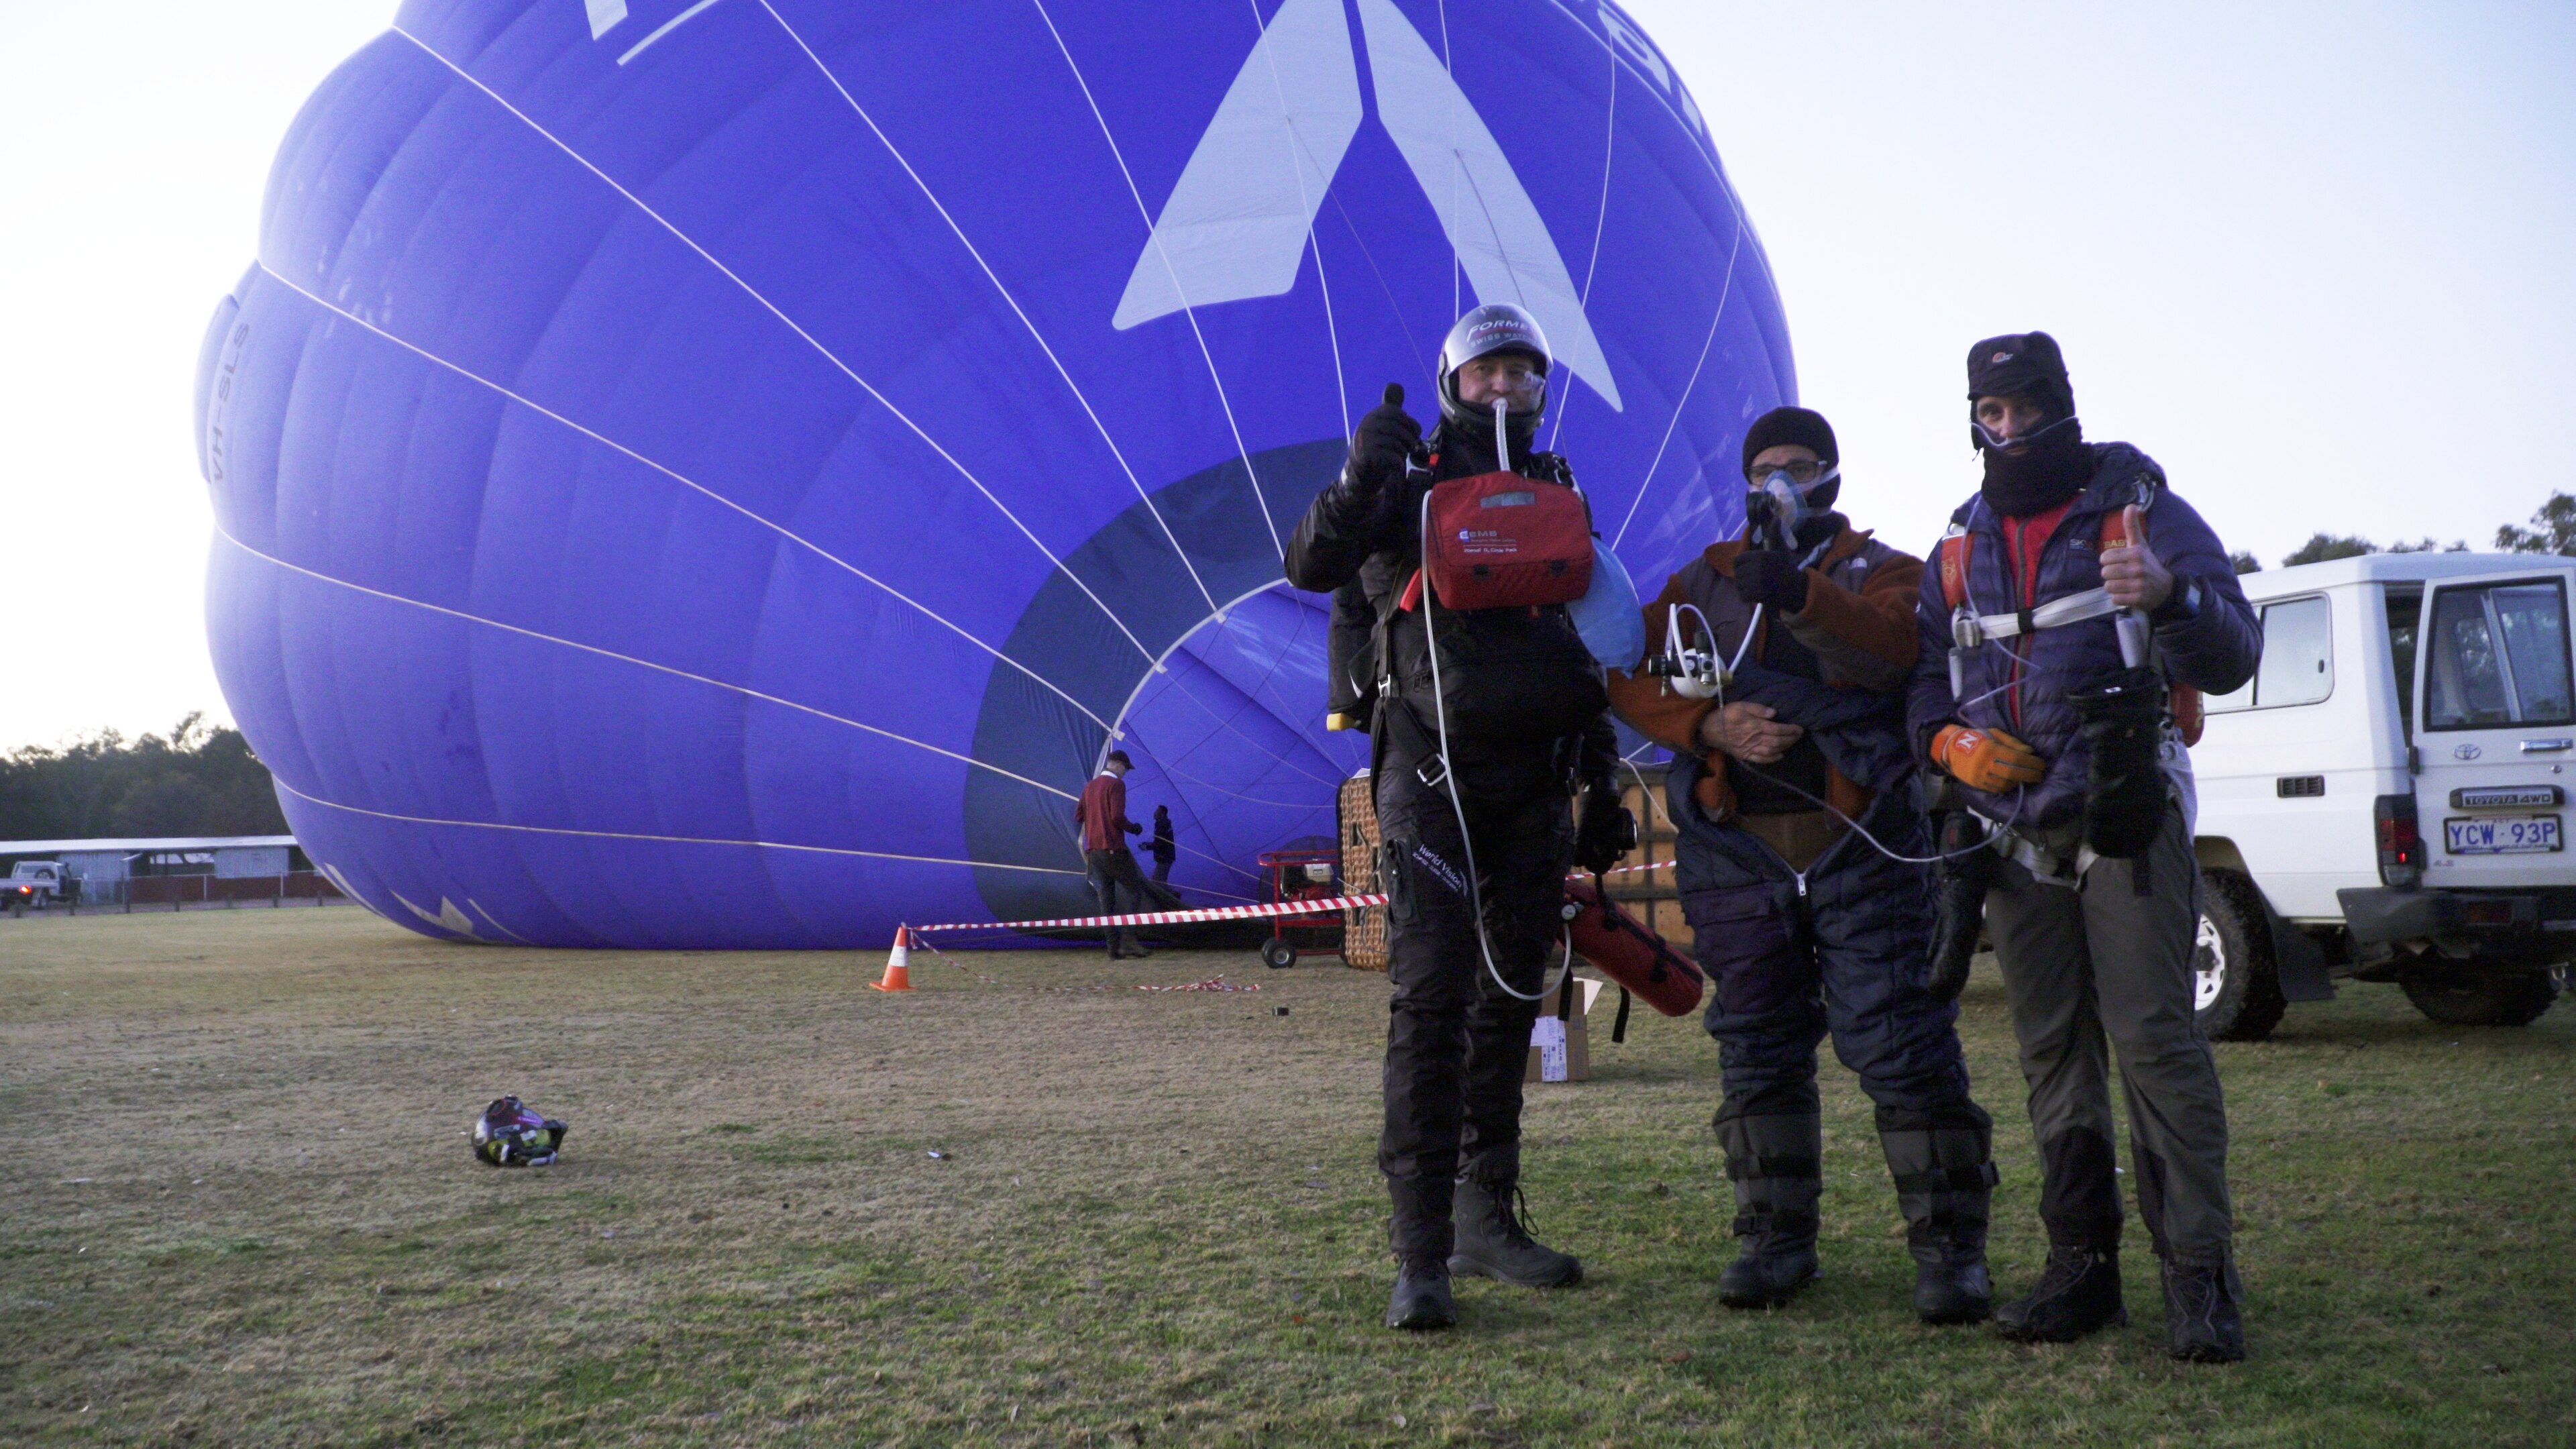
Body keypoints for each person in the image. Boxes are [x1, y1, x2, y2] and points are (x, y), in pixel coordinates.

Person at [1907, 332, 2259, 1362]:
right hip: (2012, 842)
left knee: (2155, 1043)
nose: (2006, 428)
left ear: (2059, 403)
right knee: (2052, 1051)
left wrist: (2170, 594)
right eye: (1989, 413)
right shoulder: (1957, 545)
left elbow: (2236, 650)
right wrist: (1949, 745)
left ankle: (2198, 1277)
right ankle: (2081, 1267)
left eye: (2021, 407)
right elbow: (1928, 675)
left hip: (2125, 817)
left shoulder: (2139, 512)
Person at [1606, 406, 1998, 1323]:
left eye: (1799, 465)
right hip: (1740, 850)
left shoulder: (1884, 572)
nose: (1779, 480)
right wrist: (1705, 724)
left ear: (1831, 475)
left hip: (1859, 846)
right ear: (1743, 480)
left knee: (1901, 1043)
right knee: (1756, 1046)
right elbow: (1625, 671)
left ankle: (1951, 1255)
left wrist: (1799, 596)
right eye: (1764, 466)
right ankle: (1775, 1242)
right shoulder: (1702, 584)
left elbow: (1897, 651)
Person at [1283, 303, 1632, 1331]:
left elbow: (1588, 647)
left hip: (1535, 785)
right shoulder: (1403, 489)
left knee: (1509, 1002)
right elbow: (1309, 564)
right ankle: (1420, 1253)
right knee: (1431, 1010)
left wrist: (1604, 781)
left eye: (1521, 373)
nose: (1504, 389)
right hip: (1430, 790)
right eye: (1485, 373)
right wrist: (1357, 482)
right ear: (1451, 384)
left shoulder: (1557, 492)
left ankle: (1486, 1217)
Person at [1075, 750, 1152, 960]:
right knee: (1135, 890)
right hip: (1112, 848)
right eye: (1125, 769)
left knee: (1106, 900)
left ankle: (1113, 948)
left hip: (1094, 853)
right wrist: (1133, 828)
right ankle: (1128, 939)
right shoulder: (1116, 785)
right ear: (1117, 765)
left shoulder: (1090, 786)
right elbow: (1117, 816)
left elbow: (1079, 815)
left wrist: (1095, 820)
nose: (1125, 773)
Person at [1148, 804, 1177, 883]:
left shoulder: (1162, 826)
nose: (1154, 813)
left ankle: (1170, 894)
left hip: (1165, 858)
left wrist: (1147, 846)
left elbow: (1160, 843)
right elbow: (1161, 841)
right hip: (1166, 857)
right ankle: (1173, 894)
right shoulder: (1164, 824)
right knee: (1160, 881)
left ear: (1162, 813)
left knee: (1157, 882)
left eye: (1156, 811)